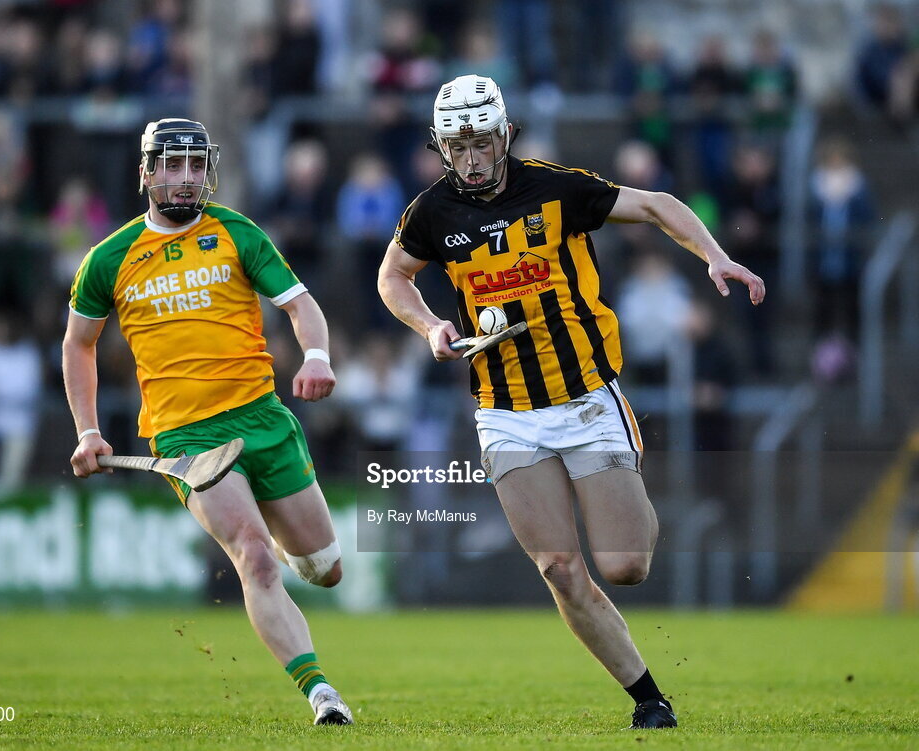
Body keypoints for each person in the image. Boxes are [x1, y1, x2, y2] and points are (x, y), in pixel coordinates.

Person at [378, 75, 765, 730]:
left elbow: (658, 203)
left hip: (585, 394)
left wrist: (714, 256)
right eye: (457, 145)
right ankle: (648, 697)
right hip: (503, 407)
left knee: (625, 565)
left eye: (481, 142)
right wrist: (430, 326)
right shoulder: (431, 213)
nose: (471, 158)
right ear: (441, 147)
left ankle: (625, 482)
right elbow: (392, 275)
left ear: (505, 136)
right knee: (559, 565)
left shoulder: (556, 189)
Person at [63, 118, 352, 726]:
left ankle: (274, 533)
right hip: (186, 437)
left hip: (263, 419)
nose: (186, 179)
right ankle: (322, 694)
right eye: (172, 166)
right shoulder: (108, 258)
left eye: (196, 166)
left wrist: (317, 356)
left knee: (327, 571)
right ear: (146, 173)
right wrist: (88, 429)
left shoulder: (236, 233)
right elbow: (78, 345)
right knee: (254, 556)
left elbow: (299, 304)